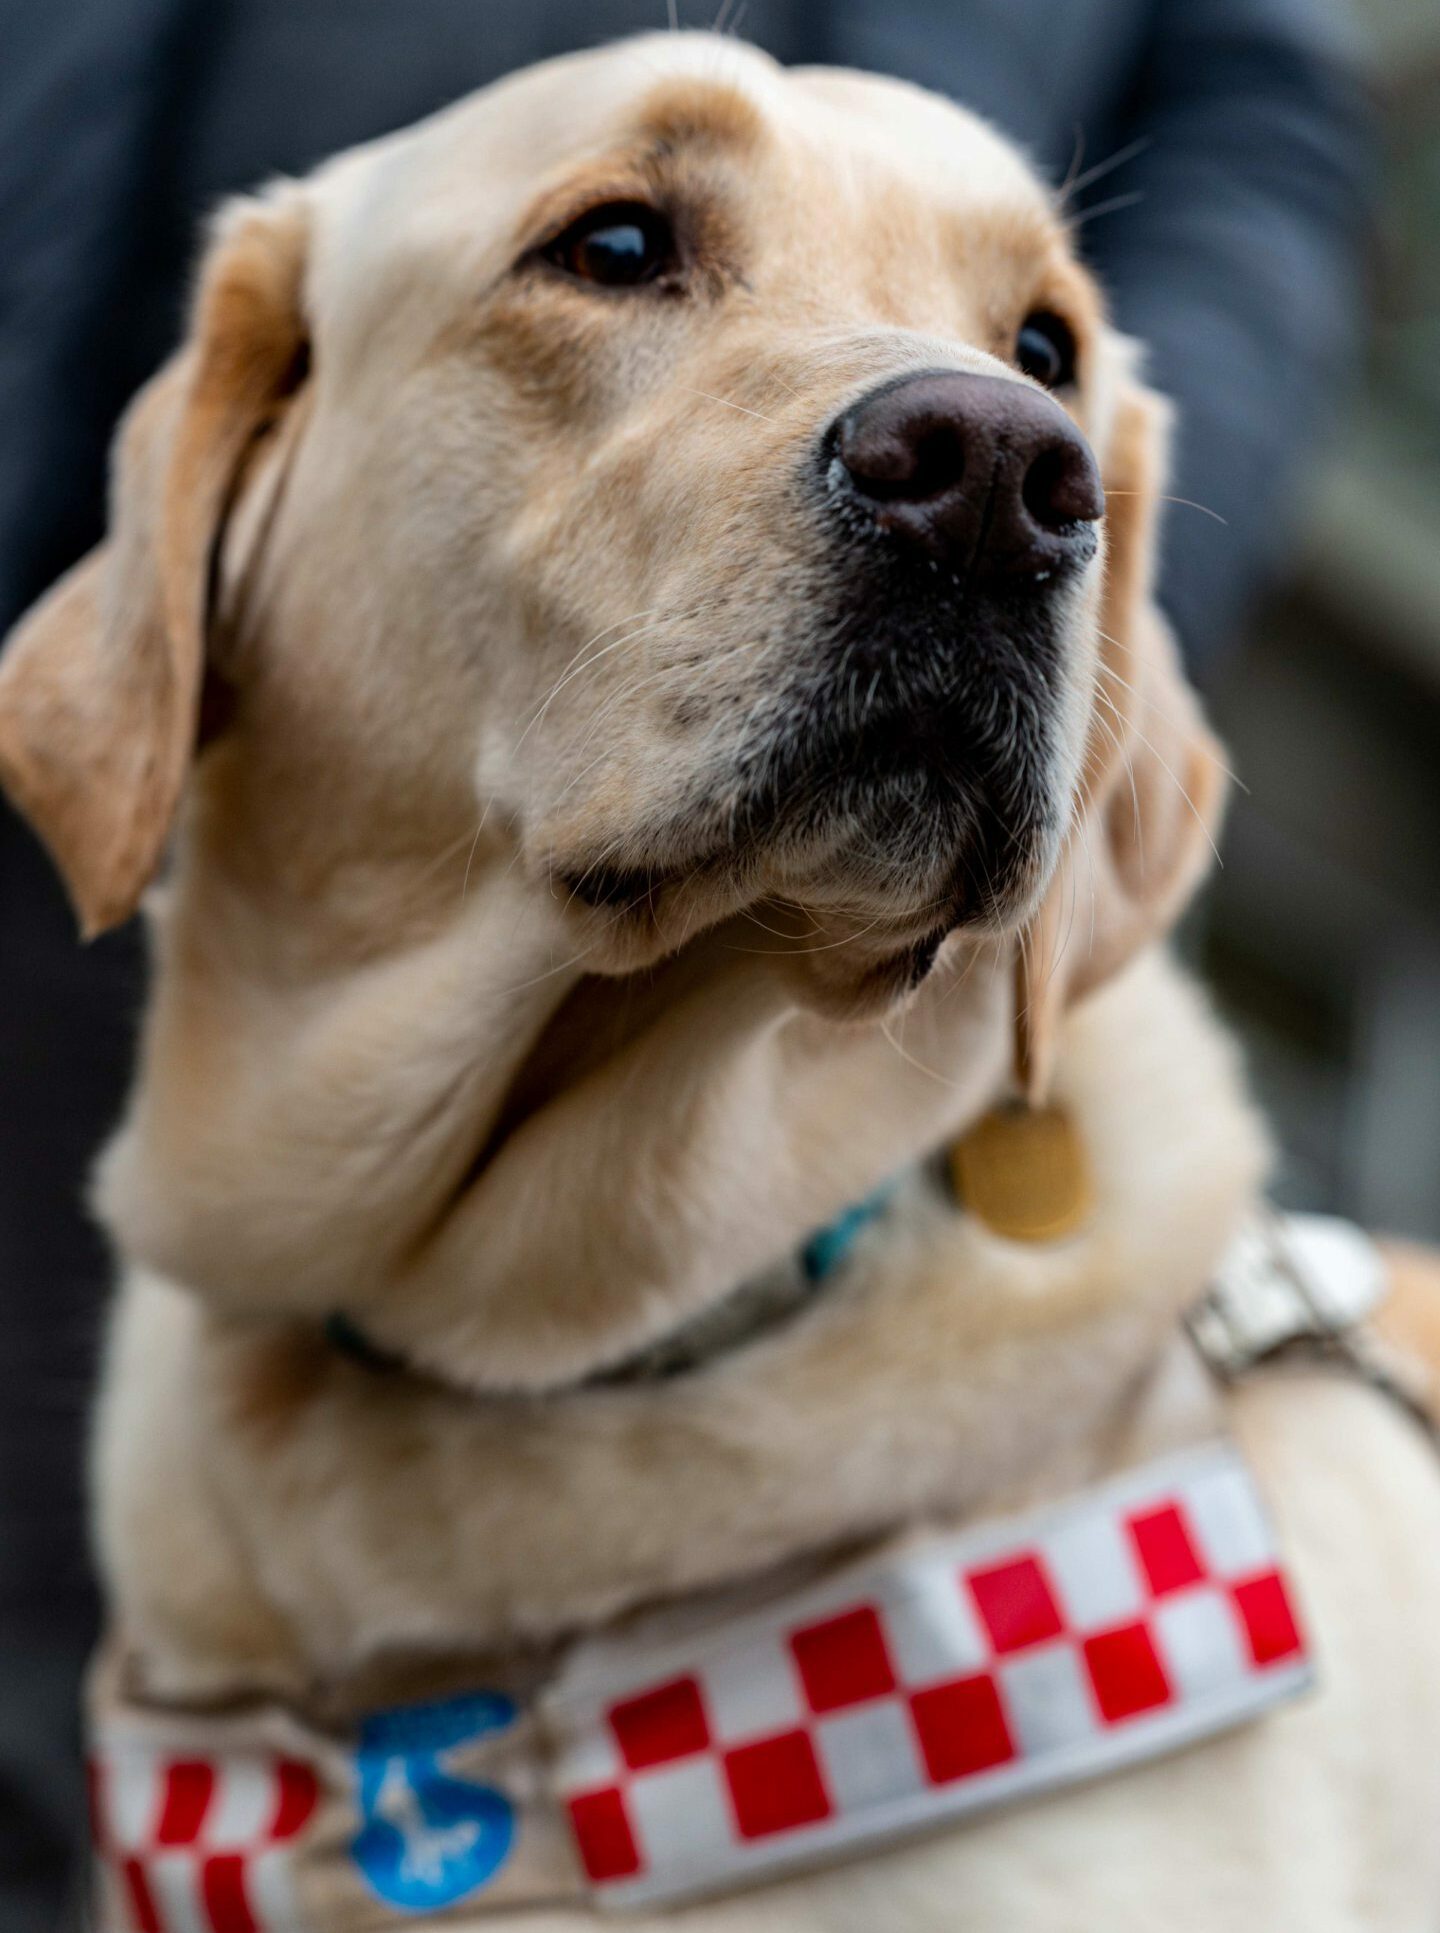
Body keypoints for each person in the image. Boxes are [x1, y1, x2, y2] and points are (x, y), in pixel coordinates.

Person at [0, 1, 1371, 1924]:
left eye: (1036, 359)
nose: (996, 443)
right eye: (622, 248)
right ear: (252, 460)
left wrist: (1084, 699)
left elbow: (1260, 130)